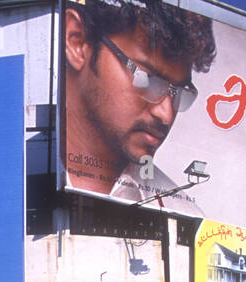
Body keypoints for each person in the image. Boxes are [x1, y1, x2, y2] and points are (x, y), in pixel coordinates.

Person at [59, 0, 217, 211]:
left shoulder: (181, 212)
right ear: (77, 42)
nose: (166, 115)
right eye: (148, 80)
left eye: (180, 92)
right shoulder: (14, 169)